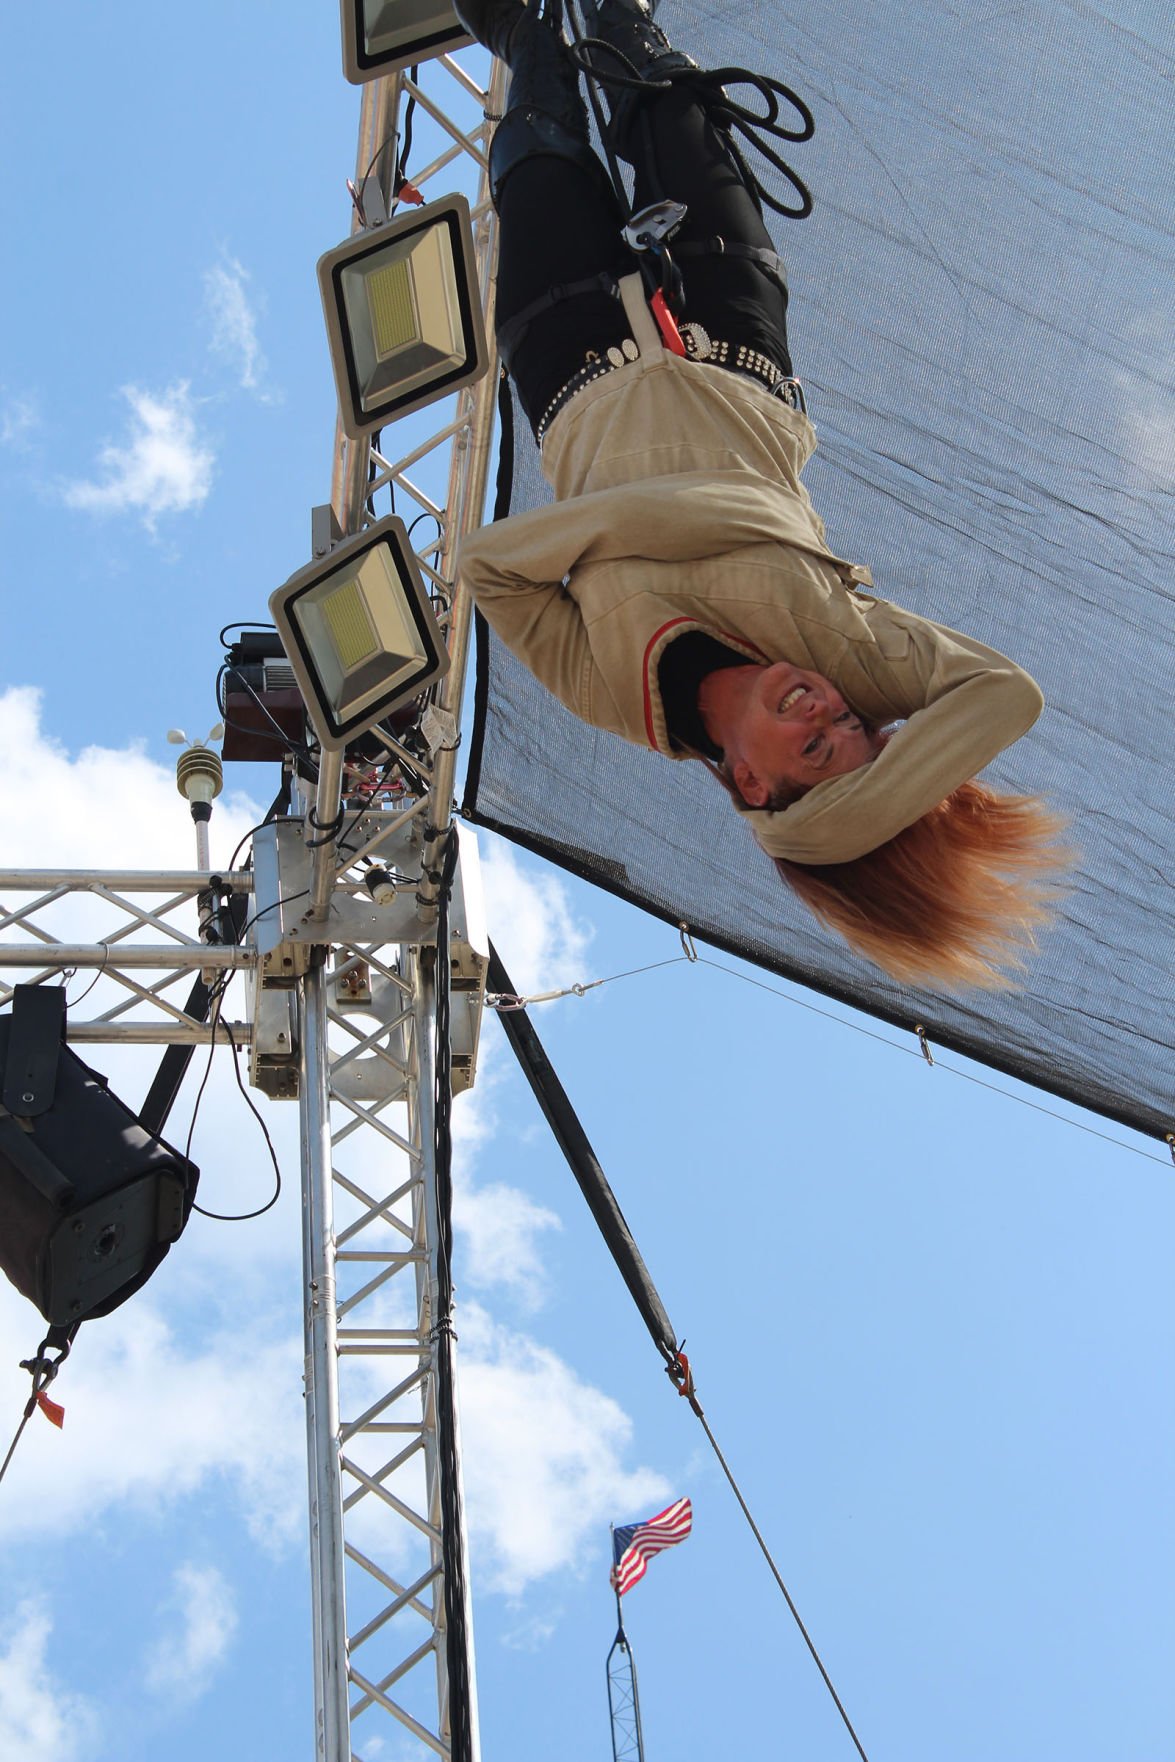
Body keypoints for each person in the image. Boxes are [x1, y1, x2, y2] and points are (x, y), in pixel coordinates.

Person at [456, 0, 1068, 989]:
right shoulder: (859, 661)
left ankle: (521, 28)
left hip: (566, 363)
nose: (828, 708)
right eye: (855, 729)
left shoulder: (615, 695)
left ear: (751, 784)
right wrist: (862, 799)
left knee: (535, 140)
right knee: (665, 102)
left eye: (814, 747)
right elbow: (1007, 694)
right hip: (735, 336)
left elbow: (487, 568)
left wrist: (661, 514)